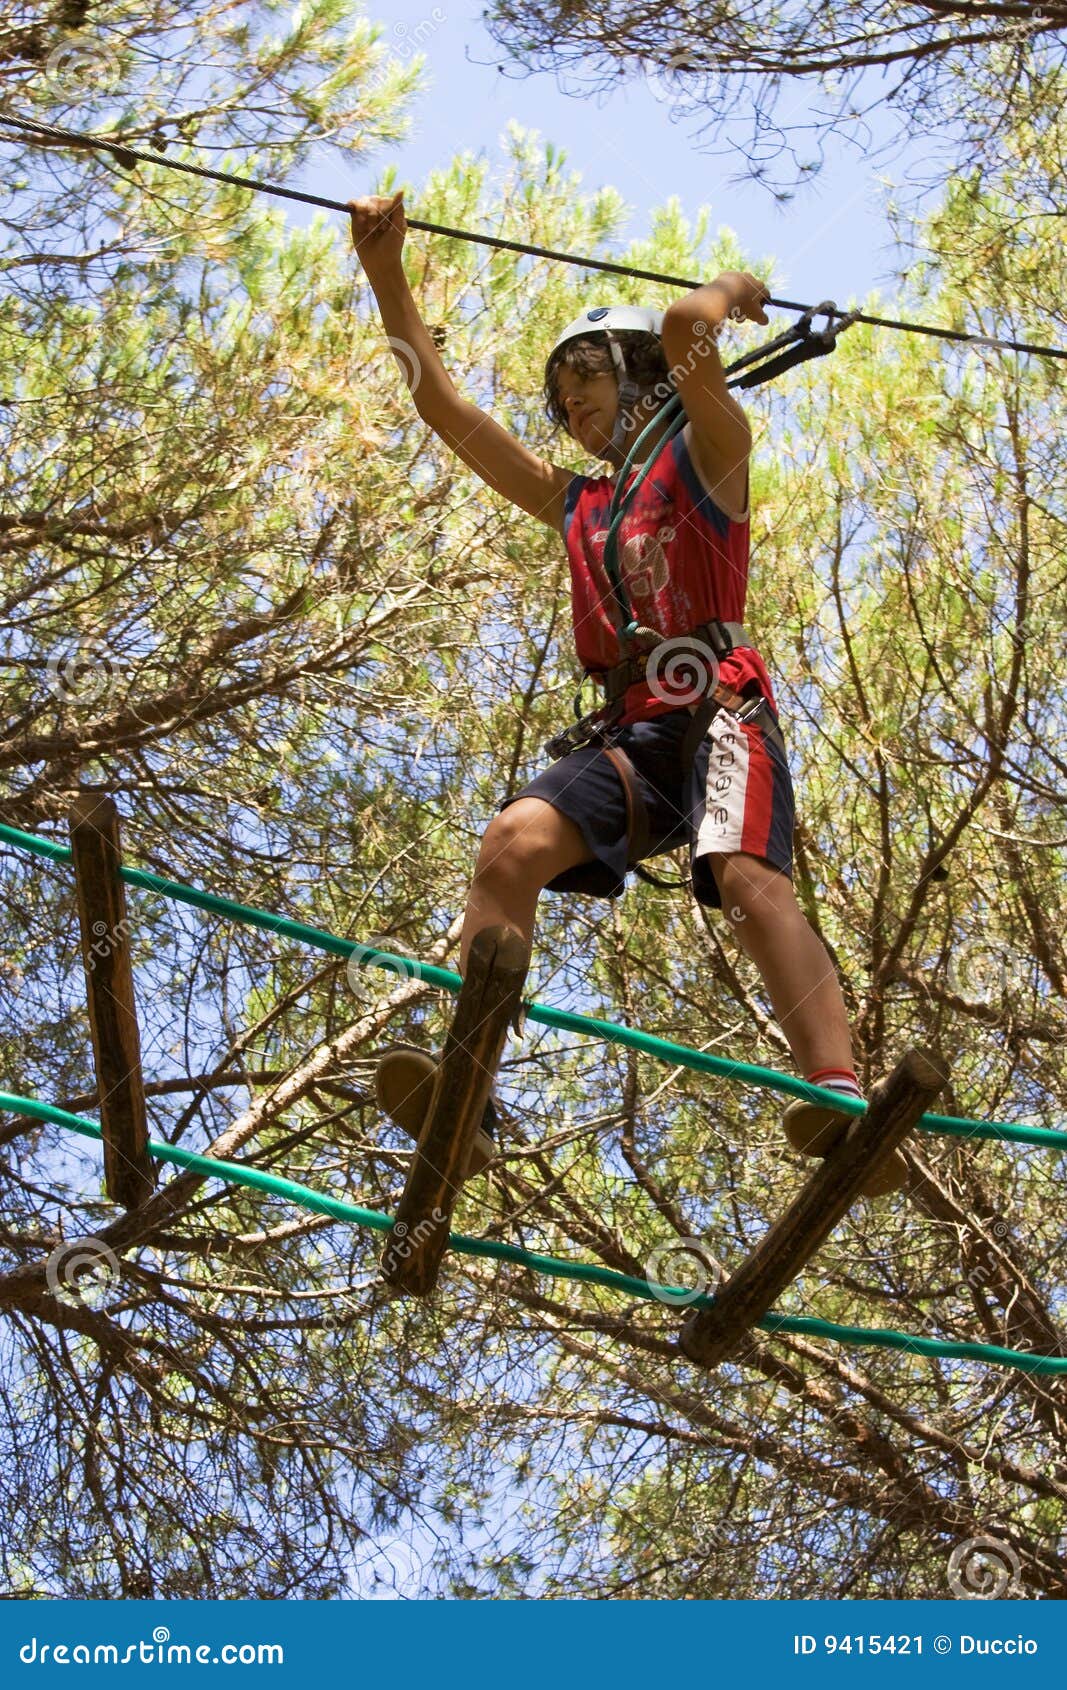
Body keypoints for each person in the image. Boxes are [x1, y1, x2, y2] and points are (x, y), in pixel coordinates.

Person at [349, 190, 905, 1198]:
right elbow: (442, 408)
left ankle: (837, 1091)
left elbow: (689, 328)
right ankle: (469, 1094)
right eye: (558, 397)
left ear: (641, 373)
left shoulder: (710, 456)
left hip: (716, 705)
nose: (569, 405)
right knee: (511, 844)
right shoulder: (578, 502)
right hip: (630, 729)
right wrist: (385, 272)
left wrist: (731, 289)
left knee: (744, 877)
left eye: (585, 377)